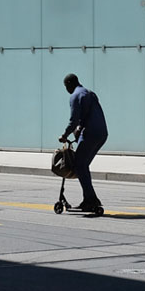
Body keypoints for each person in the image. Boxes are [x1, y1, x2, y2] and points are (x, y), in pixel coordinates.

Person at [58, 73, 108, 211]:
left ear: (69, 83)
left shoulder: (75, 96)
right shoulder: (89, 93)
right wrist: (79, 128)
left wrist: (65, 135)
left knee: (80, 165)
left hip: (91, 133)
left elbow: (73, 120)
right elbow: (87, 116)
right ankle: (89, 198)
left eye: (65, 86)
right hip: (102, 133)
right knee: (82, 165)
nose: (66, 89)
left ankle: (91, 199)